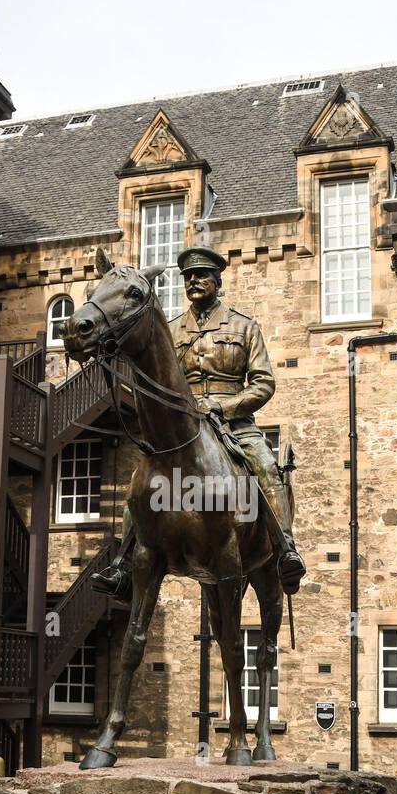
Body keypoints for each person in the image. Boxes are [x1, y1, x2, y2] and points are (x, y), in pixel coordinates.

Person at [91, 244, 306, 600]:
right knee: (139, 484)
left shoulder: (243, 326)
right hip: (185, 428)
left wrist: (226, 407)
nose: (194, 281)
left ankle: (286, 548)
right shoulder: (171, 330)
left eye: (201, 275)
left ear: (216, 281)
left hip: (233, 425)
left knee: (266, 466)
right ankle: (123, 565)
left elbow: (264, 383)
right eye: (188, 276)